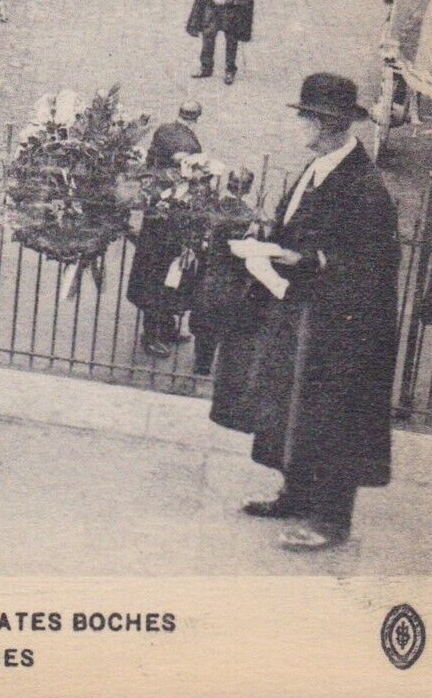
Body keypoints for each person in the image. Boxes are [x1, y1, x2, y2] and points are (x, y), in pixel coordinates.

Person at [210, 74, 399, 552]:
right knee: (294, 409)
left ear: (328, 124)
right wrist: (269, 240)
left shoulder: (364, 186)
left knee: (334, 417)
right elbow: (296, 227)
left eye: (306, 117)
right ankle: (294, 495)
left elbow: (372, 263)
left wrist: (309, 260)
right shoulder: (315, 168)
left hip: (342, 328)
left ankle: (331, 520)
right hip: (304, 313)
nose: (299, 124)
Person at [128, 101, 204, 356]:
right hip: (165, 219)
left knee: (168, 274)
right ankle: (151, 335)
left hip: (164, 216)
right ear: (196, 118)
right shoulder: (187, 143)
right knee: (158, 275)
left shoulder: (164, 130)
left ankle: (166, 327)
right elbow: (180, 156)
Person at [187, 167, 258, 375]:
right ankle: (223, 367)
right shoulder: (248, 215)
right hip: (233, 277)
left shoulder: (214, 207)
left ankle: (202, 364)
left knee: (205, 322)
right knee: (227, 322)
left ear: (228, 184)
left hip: (209, 273)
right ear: (248, 189)